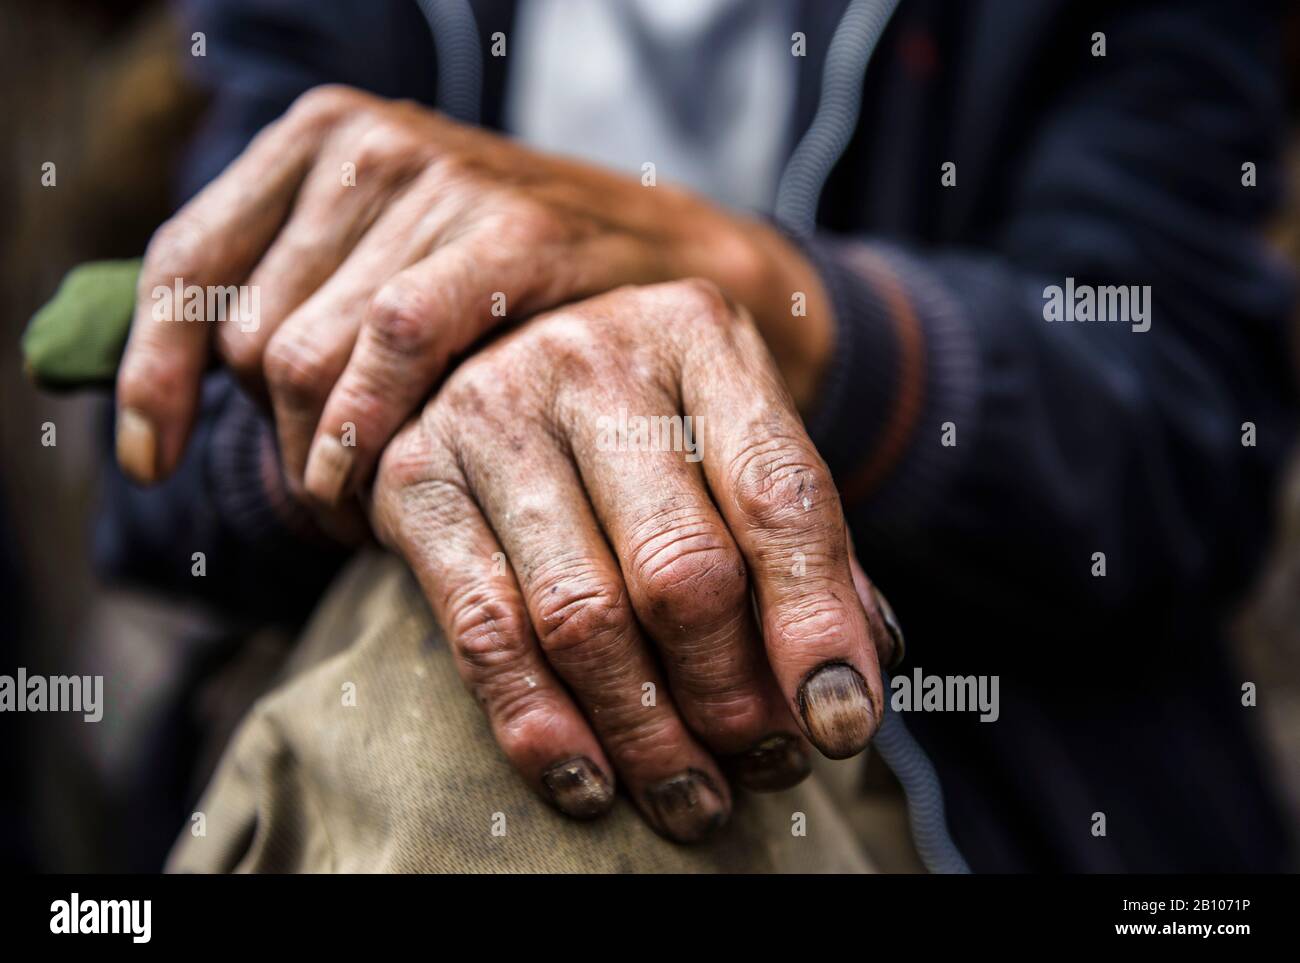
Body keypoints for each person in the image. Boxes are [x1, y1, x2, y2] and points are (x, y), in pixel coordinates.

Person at [101, 0, 1297, 870]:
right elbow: (158, 451)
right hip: (359, 635)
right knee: (472, 701)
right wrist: (396, 396)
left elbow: (1180, 426)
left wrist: (762, 301)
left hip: (995, 768)